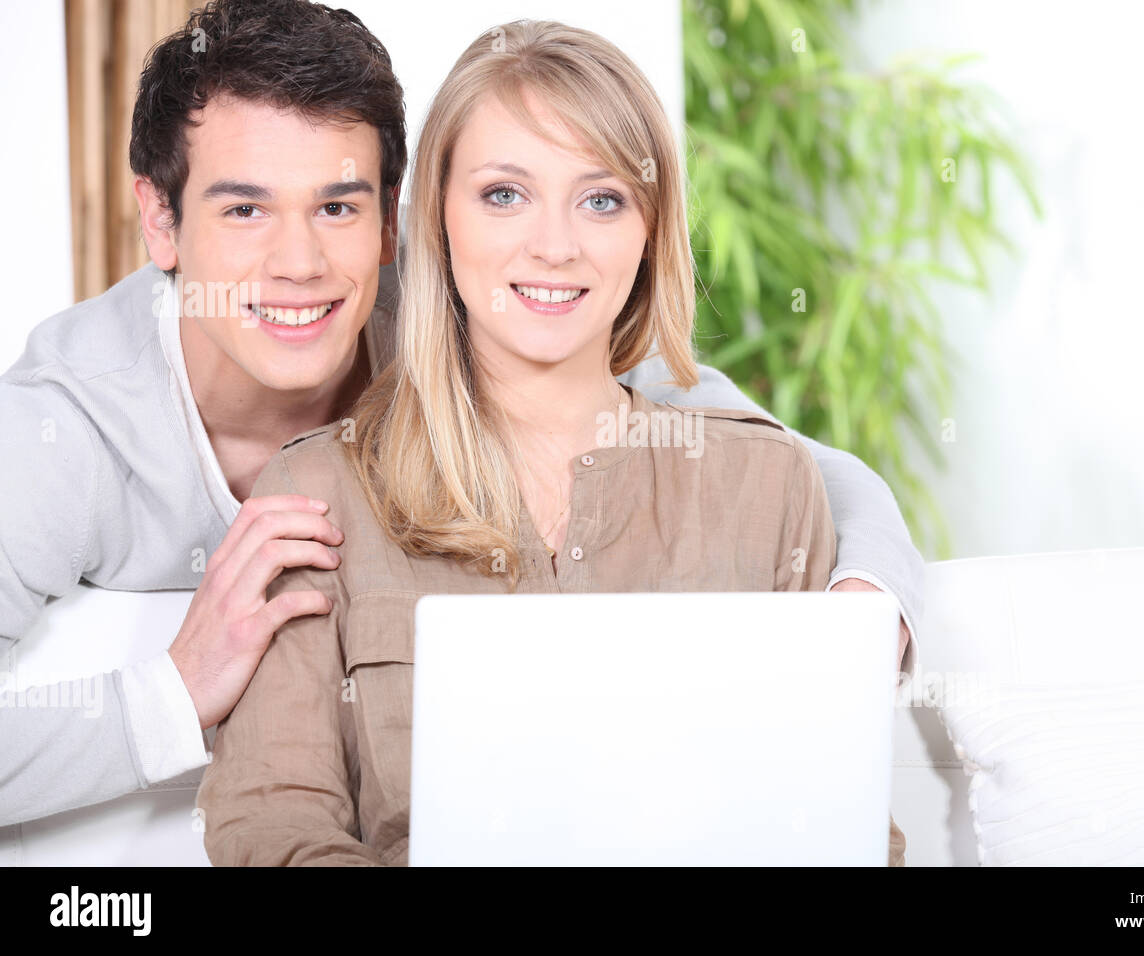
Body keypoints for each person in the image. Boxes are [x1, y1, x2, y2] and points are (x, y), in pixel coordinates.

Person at [0, 0, 920, 861]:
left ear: (397, 222)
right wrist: (171, 693)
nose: (299, 263)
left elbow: (773, 462)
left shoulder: (466, 304)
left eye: (338, 205)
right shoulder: (62, 436)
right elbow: (278, 820)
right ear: (160, 220)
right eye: (244, 208)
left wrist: (869, 598)